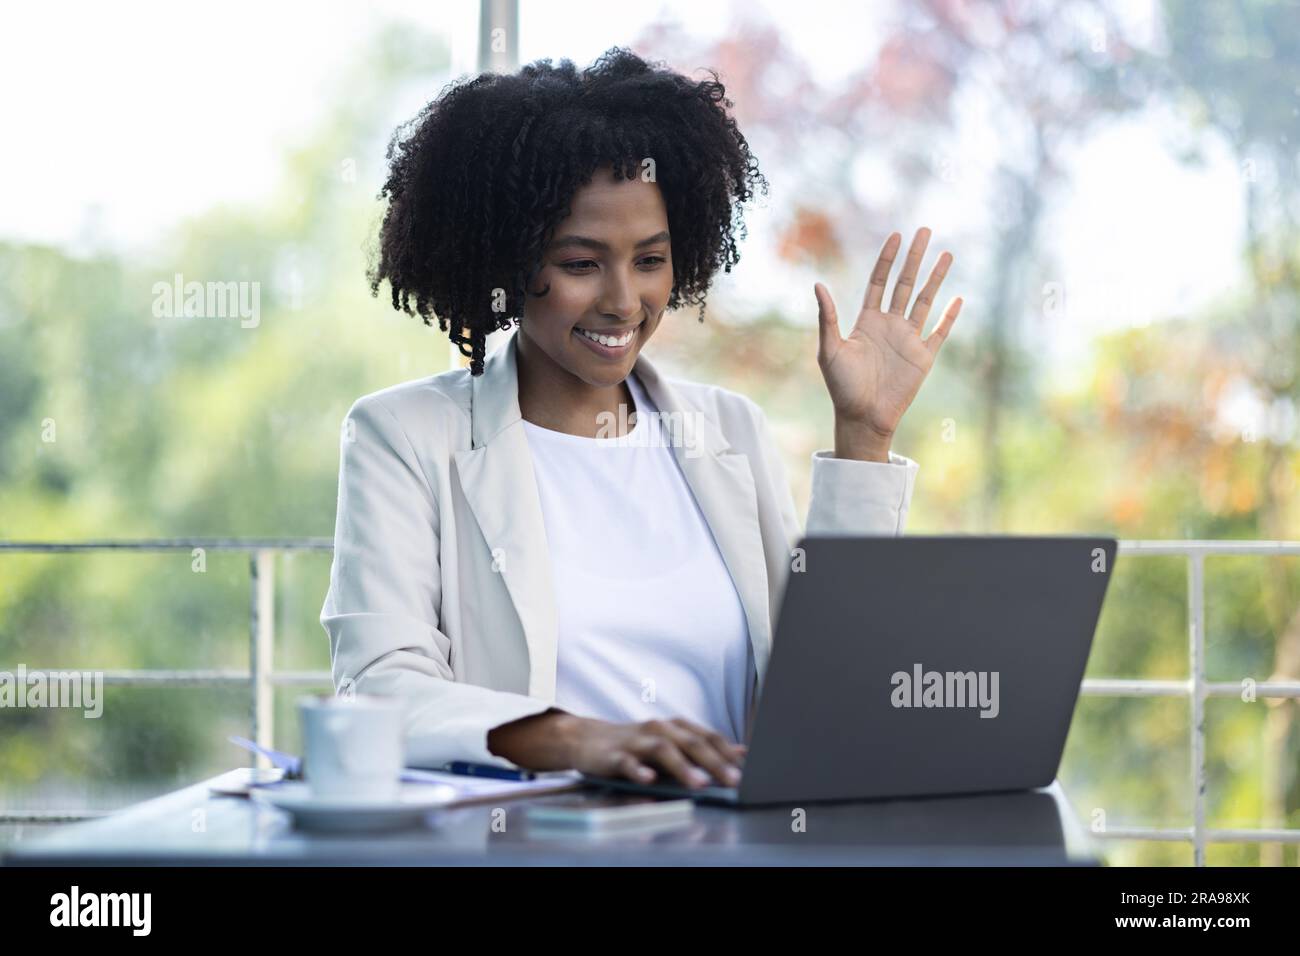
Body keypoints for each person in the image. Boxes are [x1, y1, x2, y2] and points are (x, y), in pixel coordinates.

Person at [320, 48, 961, 790]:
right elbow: (379, 691)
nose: (624, 301)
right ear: (505, 260)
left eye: (650, 260)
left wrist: (866, 437)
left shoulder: (728, 429)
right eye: (581, 263)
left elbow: (829, 689)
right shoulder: (404, 437)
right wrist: (578, 740)